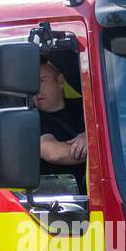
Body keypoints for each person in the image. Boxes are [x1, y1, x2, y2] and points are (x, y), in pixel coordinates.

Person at [34, 60, 87, 193]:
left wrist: (89, 136)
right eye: (31, 83)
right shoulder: (30, 119)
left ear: (60, 81)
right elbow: (54, 153)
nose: (36, 89)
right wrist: (95, 144)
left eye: (41, 81)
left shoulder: (85, 105)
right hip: (62, 202)